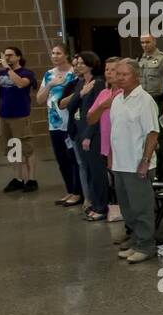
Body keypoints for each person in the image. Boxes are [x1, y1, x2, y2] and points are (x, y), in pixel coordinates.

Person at [108, 60, 161, 263]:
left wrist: (145, 160)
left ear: (136, 76)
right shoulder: (118, 99)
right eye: (117, 74)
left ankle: (147, 246)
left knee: (141, 208)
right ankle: (136, 241)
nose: (119, 78)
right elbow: (115, 132)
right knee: (128, 208)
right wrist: (112, 158)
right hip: (120, 164)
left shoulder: (144, 100)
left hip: (137, 164)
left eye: (124, 74)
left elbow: (153, 133)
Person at [36, 44, 83, 208]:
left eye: (58, 53)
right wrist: (50, 85)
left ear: (66, 55)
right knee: (62, 160)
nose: (54, 56)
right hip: (54, 124)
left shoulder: (74, 73)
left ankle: (78, 192)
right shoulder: (49, 74)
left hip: (69, 122)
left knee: (73, 159)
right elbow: (39, 100)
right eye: (53, 53)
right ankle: (70, 190)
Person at [0, 46, 38, 192]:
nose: (7, 58)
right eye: (6, 55)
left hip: (20, 116)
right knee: (12, 149)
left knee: (27, 149)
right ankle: (18, 178)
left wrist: (7, 68)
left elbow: (21, 83)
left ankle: (32, 179)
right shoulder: (1, 72)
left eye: (10, 55)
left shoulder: (26, 73)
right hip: (4, 116)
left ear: (18, 57)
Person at [68, 52, 107, 220]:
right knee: (88, 170)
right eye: (76, 64)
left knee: (97, 171)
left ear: (91, 64)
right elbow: (70, 106)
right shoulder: (82, 83)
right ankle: (94, 203)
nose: (78, 66)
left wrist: (89, 135)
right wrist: (81, 93)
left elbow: (98, 113)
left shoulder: (98, 84)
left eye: (82, 63)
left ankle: (101, 207)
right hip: (79, 130)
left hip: (92, 132)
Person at [86, 58, 122, 219]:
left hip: (121, 143)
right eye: (107, 69)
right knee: (111, 177)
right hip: (106, 143)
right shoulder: (103, 93)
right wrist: (103, 106)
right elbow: (90, 118)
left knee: (121, 179)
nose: (108, 73)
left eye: (113, 70)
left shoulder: (124, 94)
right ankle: (114, 208)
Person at [138, 33, 163, 121]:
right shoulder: (140, 59)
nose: (144, 45)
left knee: (159, 132)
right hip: (142, 102)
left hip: (158, 101)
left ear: (154, 42)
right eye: (142, 42)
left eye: (147, 42)